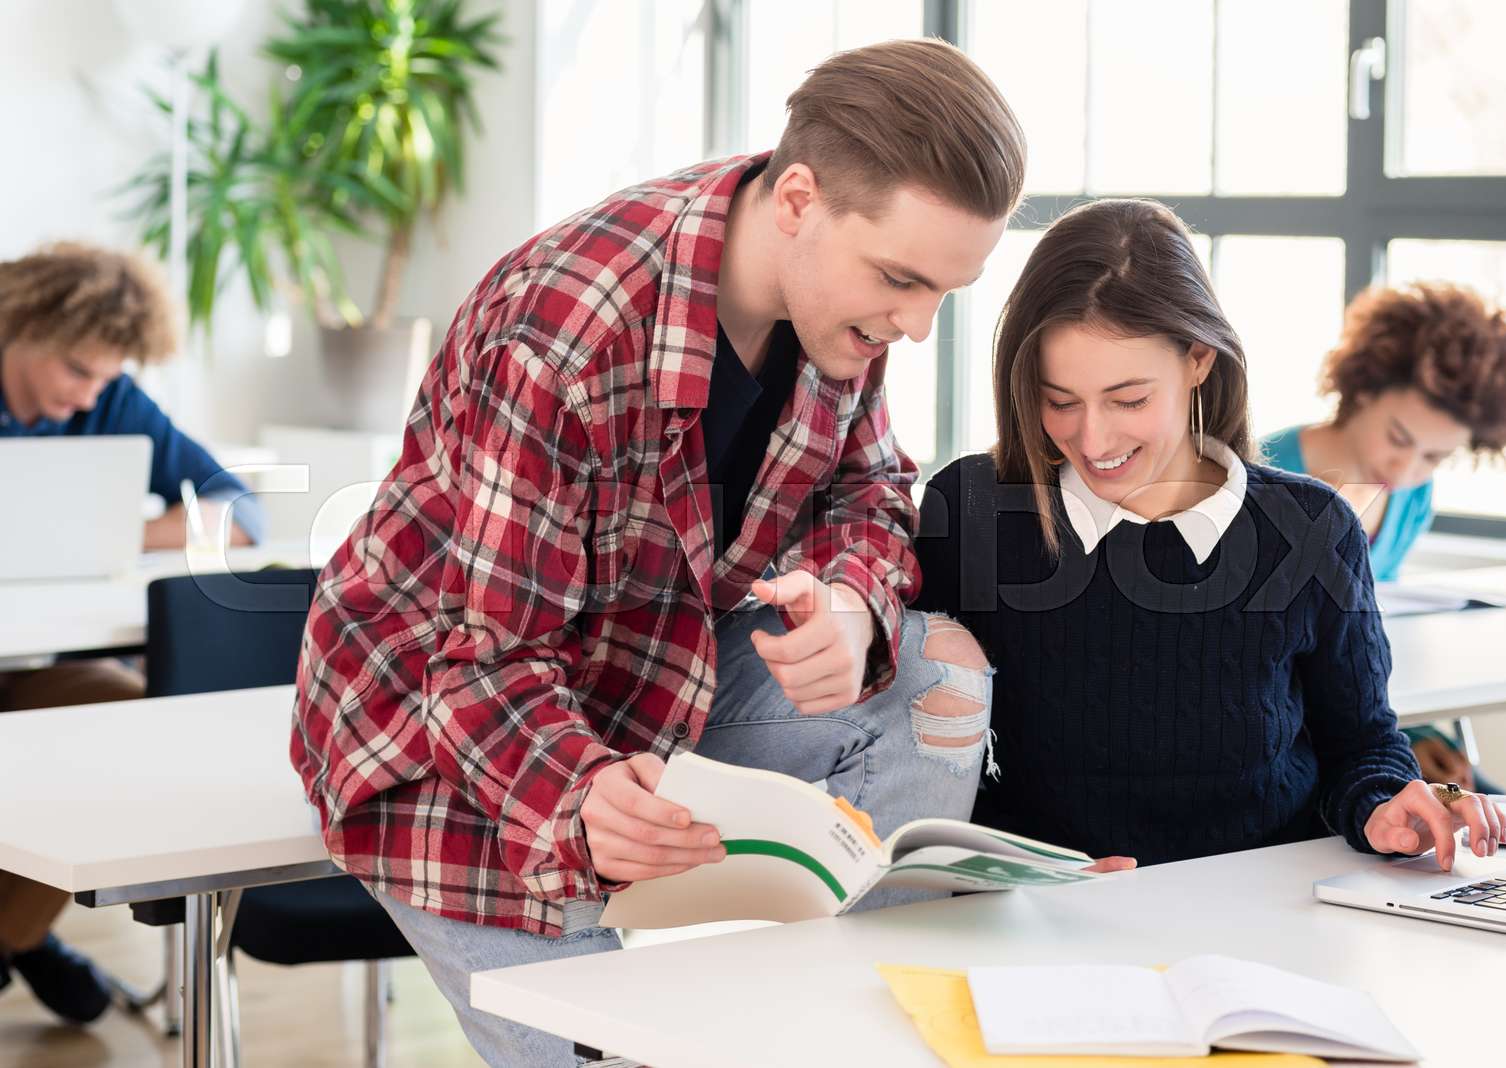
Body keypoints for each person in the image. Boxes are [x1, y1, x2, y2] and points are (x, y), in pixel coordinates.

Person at [291, 40, 1022, 1065]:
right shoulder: (563, 335)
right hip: (457, 736)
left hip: (653, 682)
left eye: (946, 290)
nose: (916, 324)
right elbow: (484, 662)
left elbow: (867, 489)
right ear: (798, 200)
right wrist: (579, 792)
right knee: (610, 1053)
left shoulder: (836, 300)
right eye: (902, 280)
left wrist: (852, 605)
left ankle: (853, 1031)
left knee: (935, 675)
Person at [913, 198, 1506, 877]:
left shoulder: (1312, 528)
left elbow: (1363, 746)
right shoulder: (973, 508)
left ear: (1199, 359)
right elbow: (917, 746)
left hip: (1260, 908)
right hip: (1037, 915)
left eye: (1129, 399)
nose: (1093, 438)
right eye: (1060, 400)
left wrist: (1385, 806)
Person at [0, 241, 262, 1023]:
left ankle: (12, 933)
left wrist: (113, 532)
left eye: (104, 378)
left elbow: (239, 512)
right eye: (77, 370)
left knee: (126, 715)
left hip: (31, 664)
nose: (88, 395)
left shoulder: (111, 403)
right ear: (23, 328)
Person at [1259, 283, 1506, 790]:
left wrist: (1417, 734)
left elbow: (1363, 654)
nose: (1405, 468)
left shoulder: (1412, 500)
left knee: (1497, 807)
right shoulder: (1263, 478)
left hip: (1367, 729)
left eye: (1433, 457)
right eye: (1398, 438)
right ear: (1364, 390)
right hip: (1290, 741)